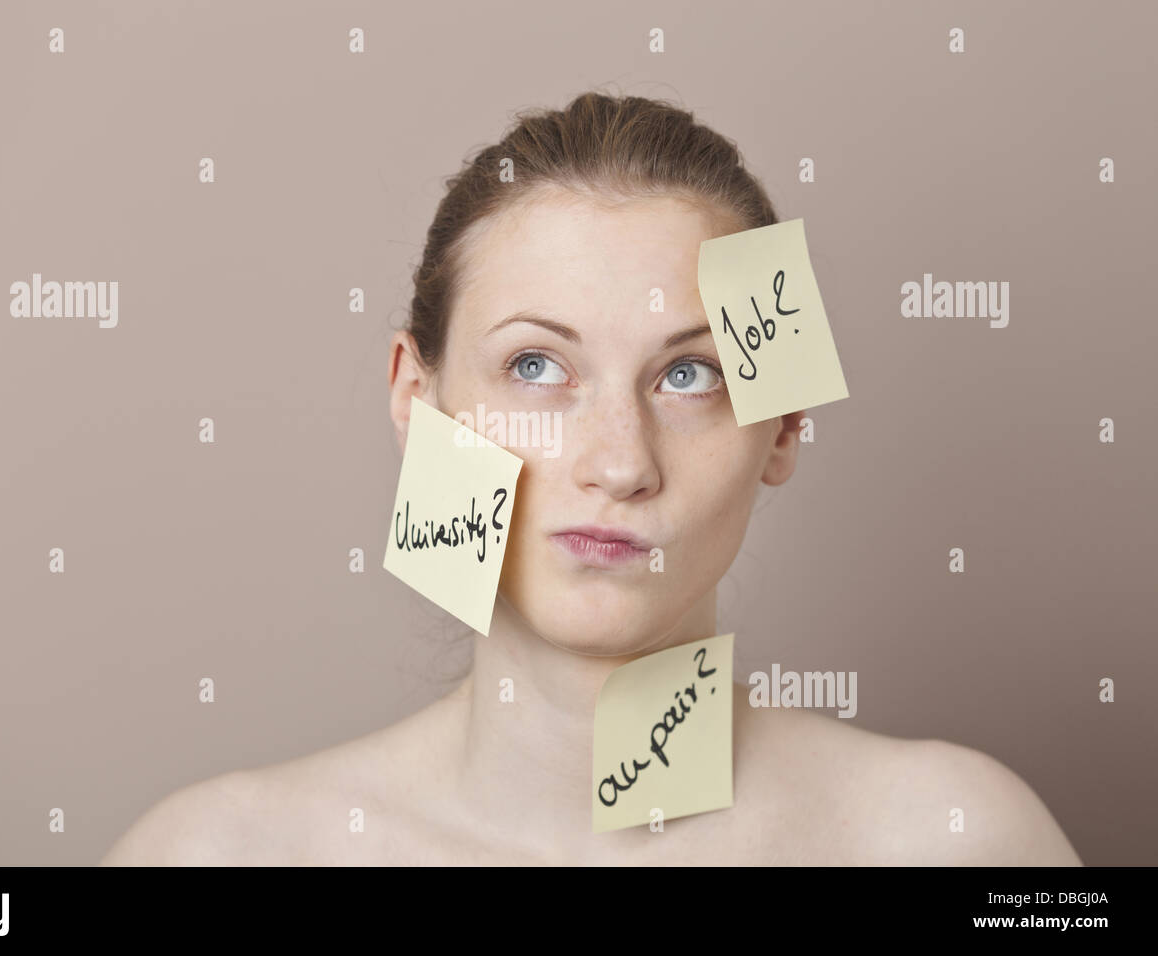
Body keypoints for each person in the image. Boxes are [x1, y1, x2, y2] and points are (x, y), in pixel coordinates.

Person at [102, 91, 1081, 865]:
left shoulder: (956, 843)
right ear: (416, 393)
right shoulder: (217, 854)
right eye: (535, 366)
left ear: (783, 429)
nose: (619, 462)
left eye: (689, 375)